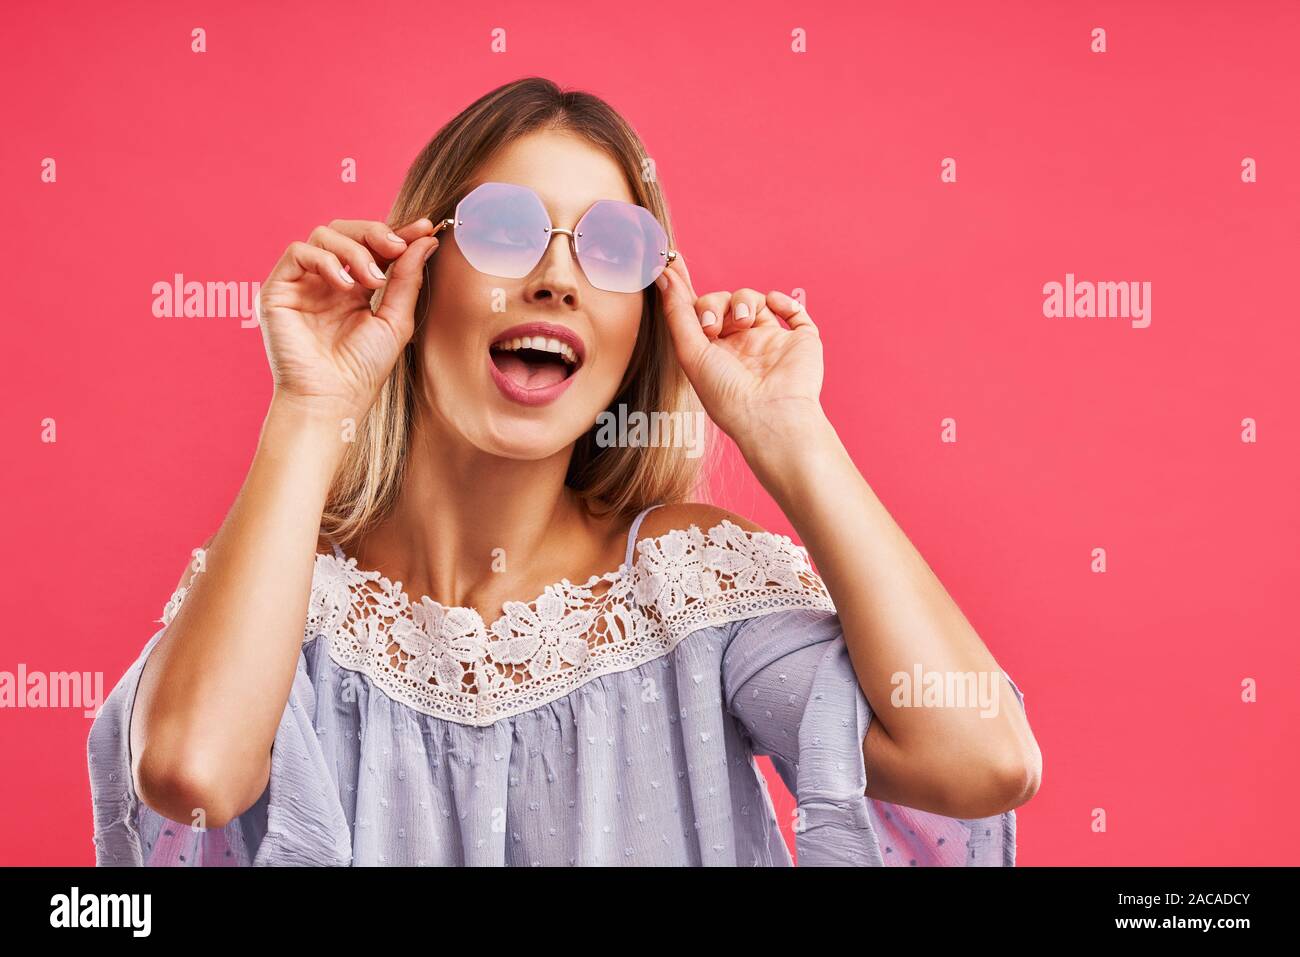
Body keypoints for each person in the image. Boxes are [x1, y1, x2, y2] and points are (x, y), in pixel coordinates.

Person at [87, 76, 1040, 866]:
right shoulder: (292, 597)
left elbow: (982, 759)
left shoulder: (686, 584)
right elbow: (191, 775)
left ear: (640, 325)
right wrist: (311, 407)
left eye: (612, 249)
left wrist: (788, 431)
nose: (556, 278)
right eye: (504, 229)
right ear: (415, 274)